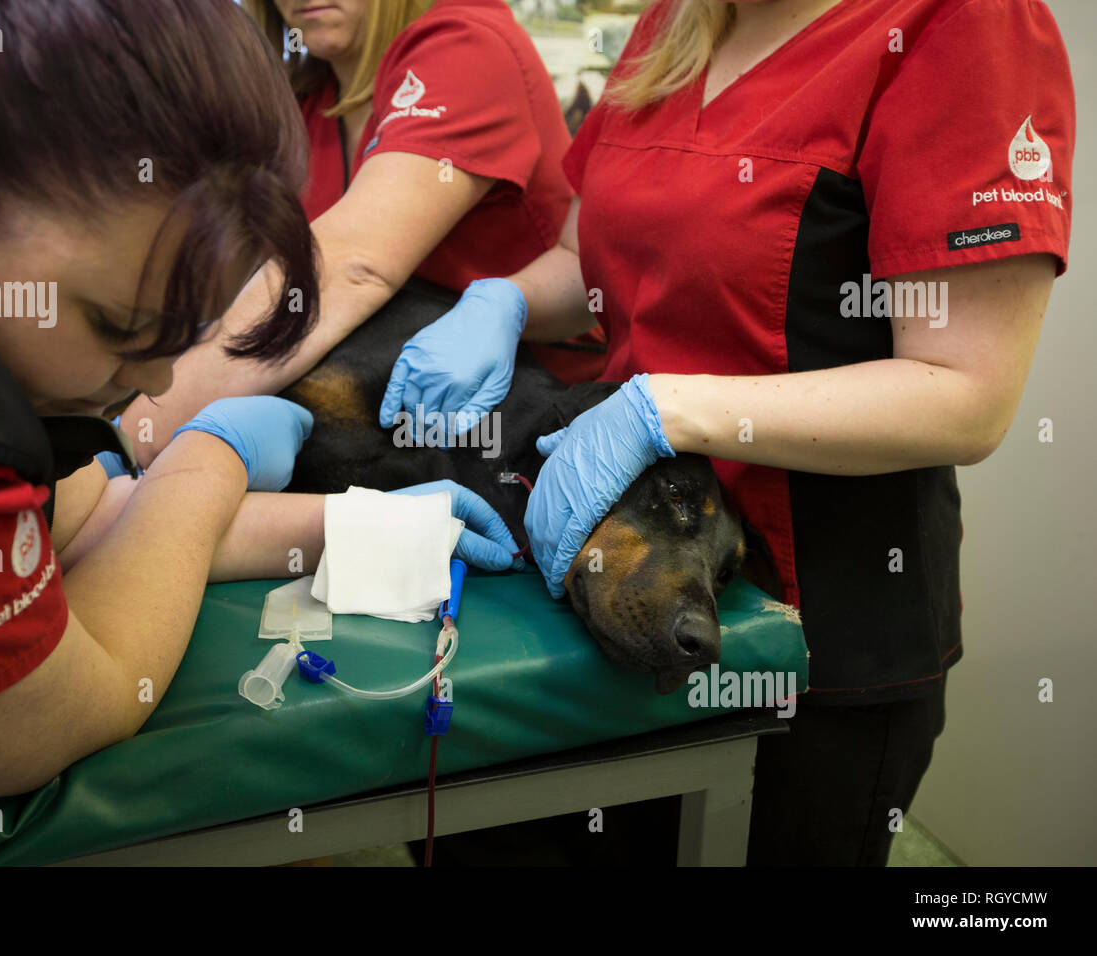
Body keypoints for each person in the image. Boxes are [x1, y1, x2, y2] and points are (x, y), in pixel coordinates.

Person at [0, 0, 517, 865]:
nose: (157, 381)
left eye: (184, 332)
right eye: (117, 324)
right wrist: (206, 460)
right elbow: (75, 697)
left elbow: (76, 516)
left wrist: (348, 526)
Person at [390, 0, 1075, 865]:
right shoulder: (674, 24)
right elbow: (581, 255)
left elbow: (966, 394)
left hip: (812, 626)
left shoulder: (961, 26)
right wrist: (507, 300)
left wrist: (667, 410)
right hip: (618, 570)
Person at [118, 0, 604, 469]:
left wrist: (129, 439)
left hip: (513, 429)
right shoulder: (309, 95)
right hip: (365, 432)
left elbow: (353, 267)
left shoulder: (465, 46)